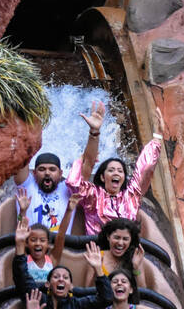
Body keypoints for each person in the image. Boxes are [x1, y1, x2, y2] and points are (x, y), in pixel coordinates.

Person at [11, 198, 113, 309]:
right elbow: (21, 276)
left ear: (71, 285)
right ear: (47, 284)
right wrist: (20, 244)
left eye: (65, 278)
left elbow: (106, 298)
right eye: (56, 277)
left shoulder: (78, 305)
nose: (61, 280)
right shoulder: (38, 299)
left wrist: (98, 269)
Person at [67, 101, 166, 235]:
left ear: (124, 177)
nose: (116, 173)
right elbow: (73, 183)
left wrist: (158, 136)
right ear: (102, 176)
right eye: (111, 170)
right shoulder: (93, 196)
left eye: (120, 171)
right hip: (98, 252)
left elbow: (145, 167)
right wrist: (92, 135)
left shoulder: (131, 197)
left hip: (125, 251)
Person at [14, 152, 75, 234]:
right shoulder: (27, 186)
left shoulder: (69, 189)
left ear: (60, 173)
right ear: (34, 173)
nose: (47, 173)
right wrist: (22, 212)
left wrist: (94, 138)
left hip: (61, 244)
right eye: (42, 169)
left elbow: (88, 165)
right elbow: (20, 157)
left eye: (52, 169)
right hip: (30, 242)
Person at [79, 218, 142, 290]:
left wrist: (136, 268)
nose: (120, 243)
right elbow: (88, 292)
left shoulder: (135, 258)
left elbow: (142, 295)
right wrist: (97, 269)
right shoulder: (97, 257)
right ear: (108, 237)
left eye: (125, 239)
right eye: (116, 238)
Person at [14, 208, 66, 286]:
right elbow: (20, 232)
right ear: (27, 243)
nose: (38, 243)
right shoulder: (24, 259)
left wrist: (69, 210)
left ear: (48, 244)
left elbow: (61, 234)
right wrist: (22, 211)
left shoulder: (52, 260)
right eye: (33, 240)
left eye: (42, 240)